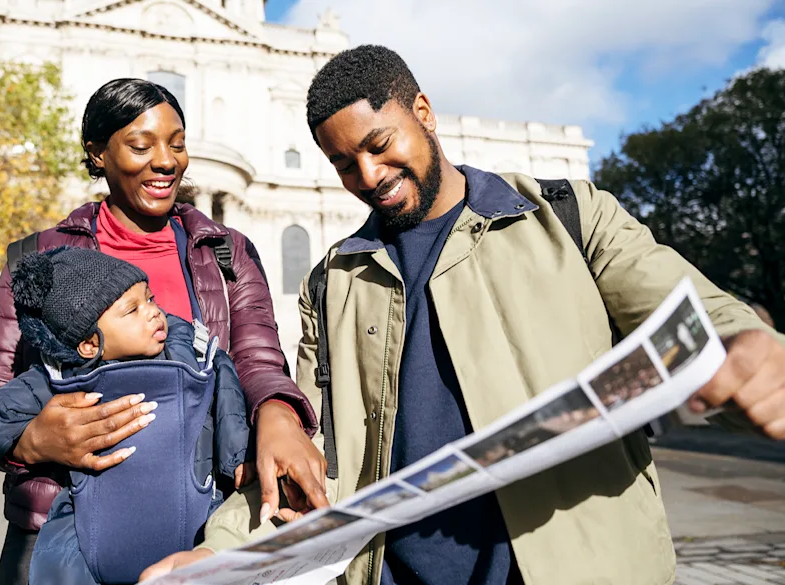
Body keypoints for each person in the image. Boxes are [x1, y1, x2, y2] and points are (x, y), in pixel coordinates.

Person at [142, 45, 785, 585]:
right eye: (343, 164)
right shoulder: (332, 281)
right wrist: (217, 554)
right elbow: (304, 450)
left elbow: (691, 307)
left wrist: (743, 342)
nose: (368, 174)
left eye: (380, 143)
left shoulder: (567, 216)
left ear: (423, 112)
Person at [0, 78, 328, 585]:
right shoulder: (37, 262)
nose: (166, 161)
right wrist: (29, 443)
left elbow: (256, 362)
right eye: (141, 146)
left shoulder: (225, 252)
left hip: (204, 528)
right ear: (97, 153)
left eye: (178, 144)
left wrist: (278, 416)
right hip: (62, 532)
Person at [0, 246, 249, 585]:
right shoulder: (63, 377)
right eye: (132, 310)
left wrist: (237, 459)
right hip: (94, 532)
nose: (154, 313)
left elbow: (226, 388)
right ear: (88, 344)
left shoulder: (187, 349)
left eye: (151, 299)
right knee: (60, 558)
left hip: (193, 522)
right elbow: (2, 406)